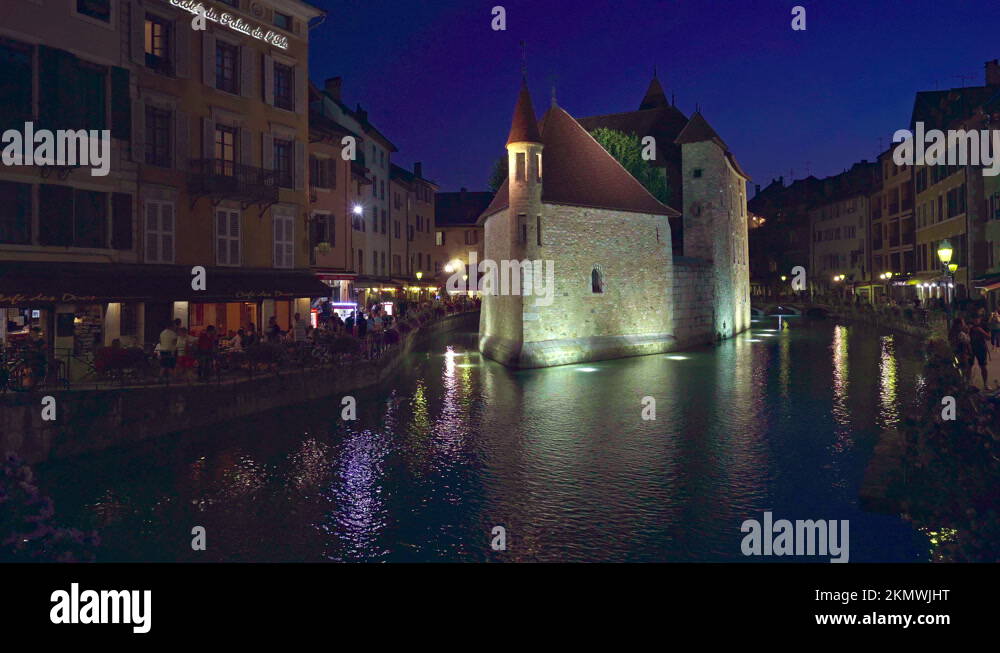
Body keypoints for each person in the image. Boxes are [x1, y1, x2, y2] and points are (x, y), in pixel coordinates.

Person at [970, 317, 991, 387]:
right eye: (974, 319)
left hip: (980, 348)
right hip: (971, 349)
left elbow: (988, 337)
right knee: (969, 366)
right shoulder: (969, 327)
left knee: (983, 366)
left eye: (977, 319)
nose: (976, 320)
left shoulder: (982, 326)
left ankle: (985, 384)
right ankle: (968, 383)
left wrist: (981, 331)